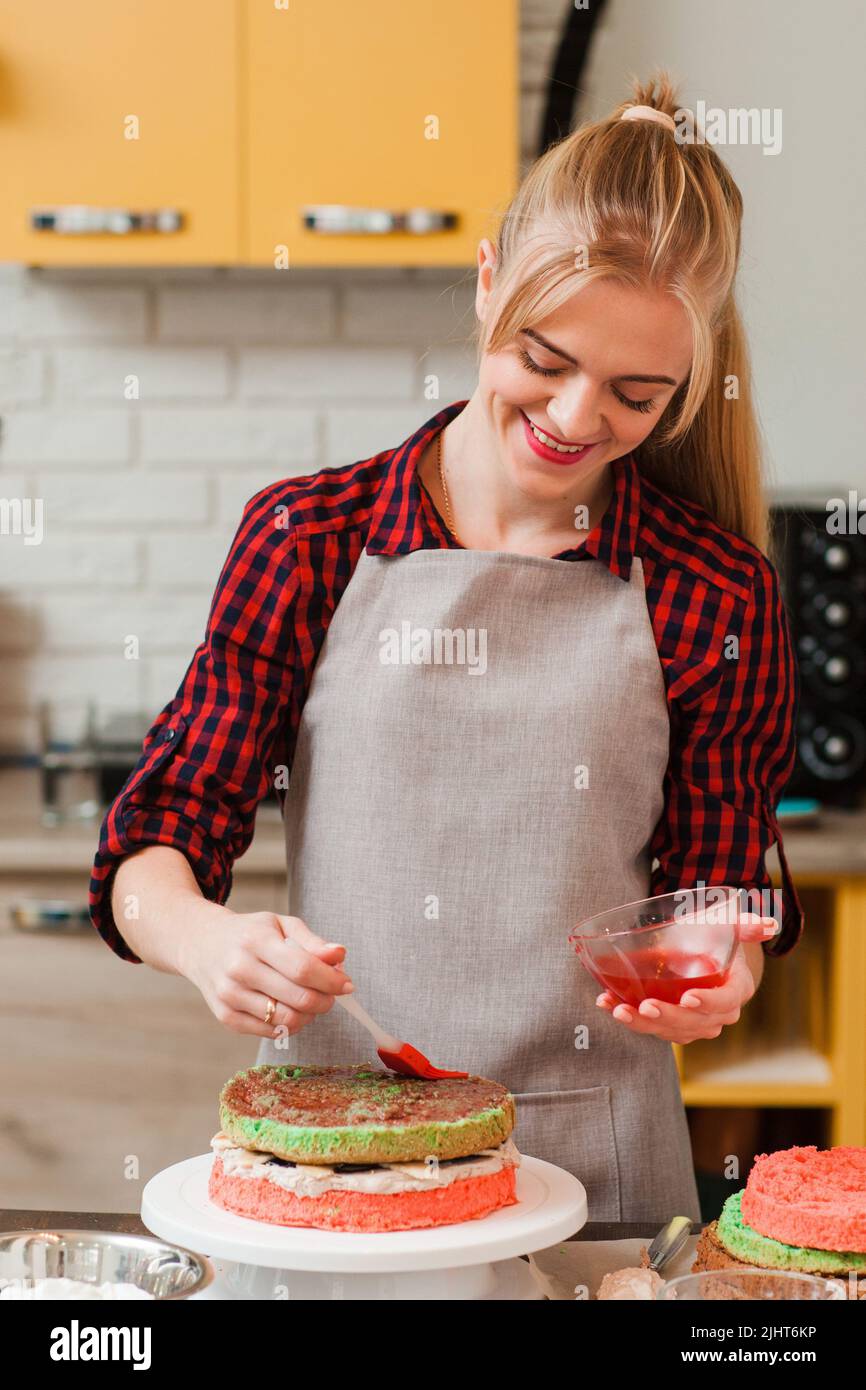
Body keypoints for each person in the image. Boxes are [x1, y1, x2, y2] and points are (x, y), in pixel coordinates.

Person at [90, 74, 803, 1221]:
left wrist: (718, 971)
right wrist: (203, 937)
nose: (575, 419)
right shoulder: (309, 537)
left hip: (596, 1174)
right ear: (485, 287)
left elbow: (711, 897)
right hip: (335, 1159)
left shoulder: (713, 590)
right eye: (545, 357)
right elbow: (155, 838)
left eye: (634, 393)